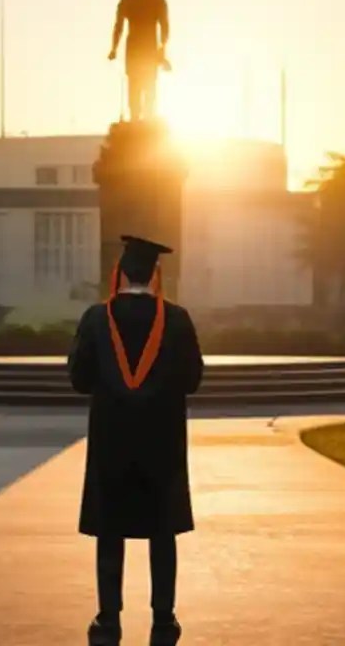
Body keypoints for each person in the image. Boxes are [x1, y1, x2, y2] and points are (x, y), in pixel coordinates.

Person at [69, 235, 204, 646]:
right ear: (155, 273)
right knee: (162, 532)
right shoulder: (176, 319)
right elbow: (192, 380)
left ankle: (108, 621)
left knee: (110, 531)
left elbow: (79, 379)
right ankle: (163, 621)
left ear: (121, 274)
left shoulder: (96, 319)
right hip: (161, 443)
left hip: (111, 441)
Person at [109, 0, 171, 121]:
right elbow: (164, 28)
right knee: (142, 85)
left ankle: (140, 118)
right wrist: (162, 51)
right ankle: (141, 118)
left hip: (141, 49)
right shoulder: (154, 0)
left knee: (139, 85)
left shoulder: (130, 1)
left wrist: (114, 49)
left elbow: (118, 28)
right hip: (145, 49)